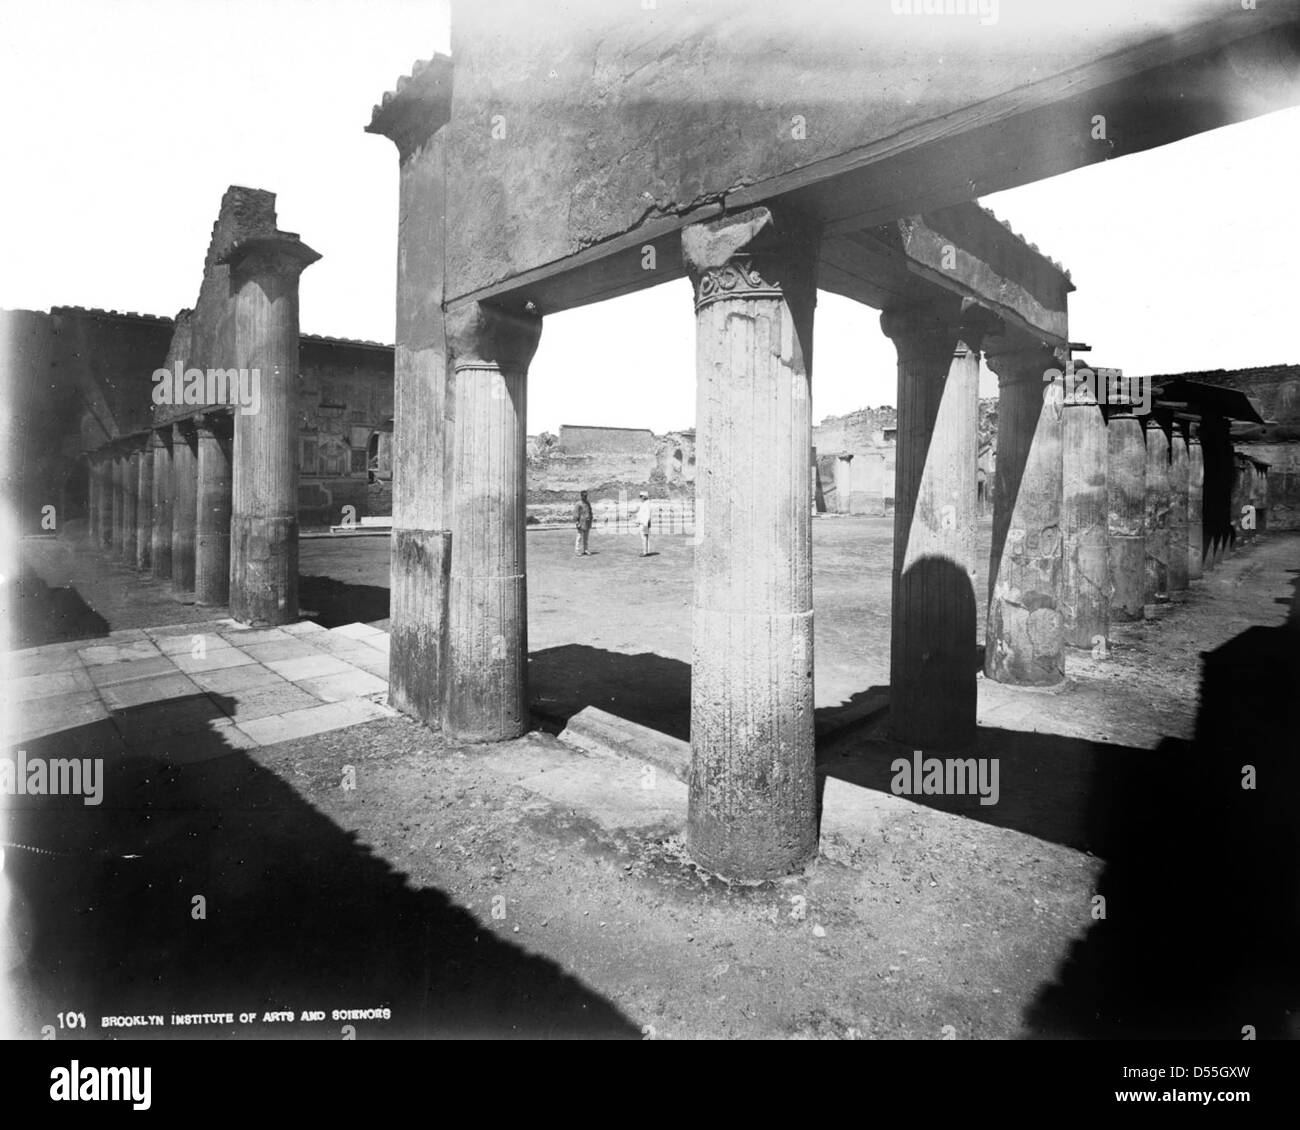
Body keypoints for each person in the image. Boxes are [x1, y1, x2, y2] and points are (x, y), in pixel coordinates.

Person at [573, 490, 593, 556]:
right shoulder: (578, 504)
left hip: (587, 523)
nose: (585, 497)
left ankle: (586, 550)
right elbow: (576, 514)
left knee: (586, 538)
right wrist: (577, 522)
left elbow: (590, 512)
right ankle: (577, 550)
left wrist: (590, 520)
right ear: (581, 496)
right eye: (584, 496)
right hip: (581, 522)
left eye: (586, 496)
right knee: (579, 537)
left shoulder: (588, 503)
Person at [636, 491, 653, 556]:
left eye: (641, 496)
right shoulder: (644, 504)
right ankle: (647, 551)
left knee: (644, 538)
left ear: (645, 497)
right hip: (643, 523)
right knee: (645, 537)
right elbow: (641, 514)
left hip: (644, 524)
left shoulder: (647, 504)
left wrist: (645, 524)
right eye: (640, 496)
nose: (640, 497)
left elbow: (648, 515)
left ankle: (645, 552)